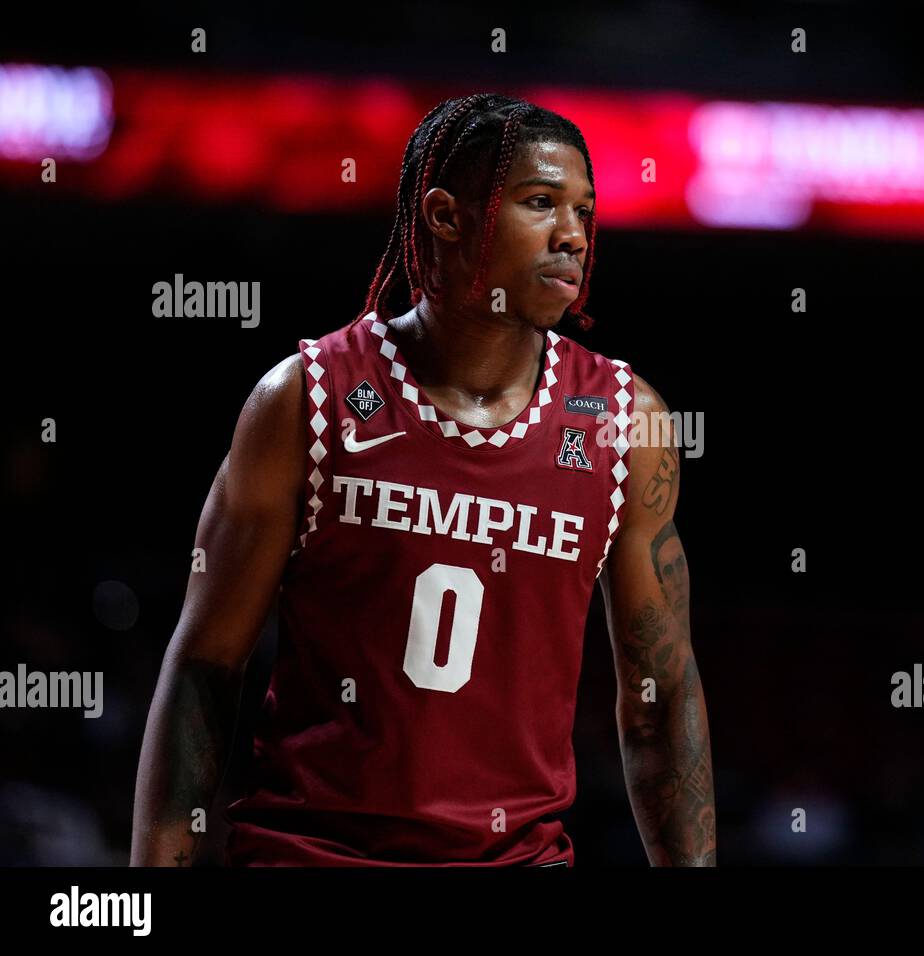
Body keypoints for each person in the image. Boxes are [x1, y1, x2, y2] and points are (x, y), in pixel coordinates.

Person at [130, 93, 715, 866]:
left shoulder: (622, 421)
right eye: (541, 203)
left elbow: (661, 700)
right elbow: (205, 667)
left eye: (583, 210)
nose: (573, 235)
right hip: (310, 854)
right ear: (445, 216)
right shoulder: (306, 399)